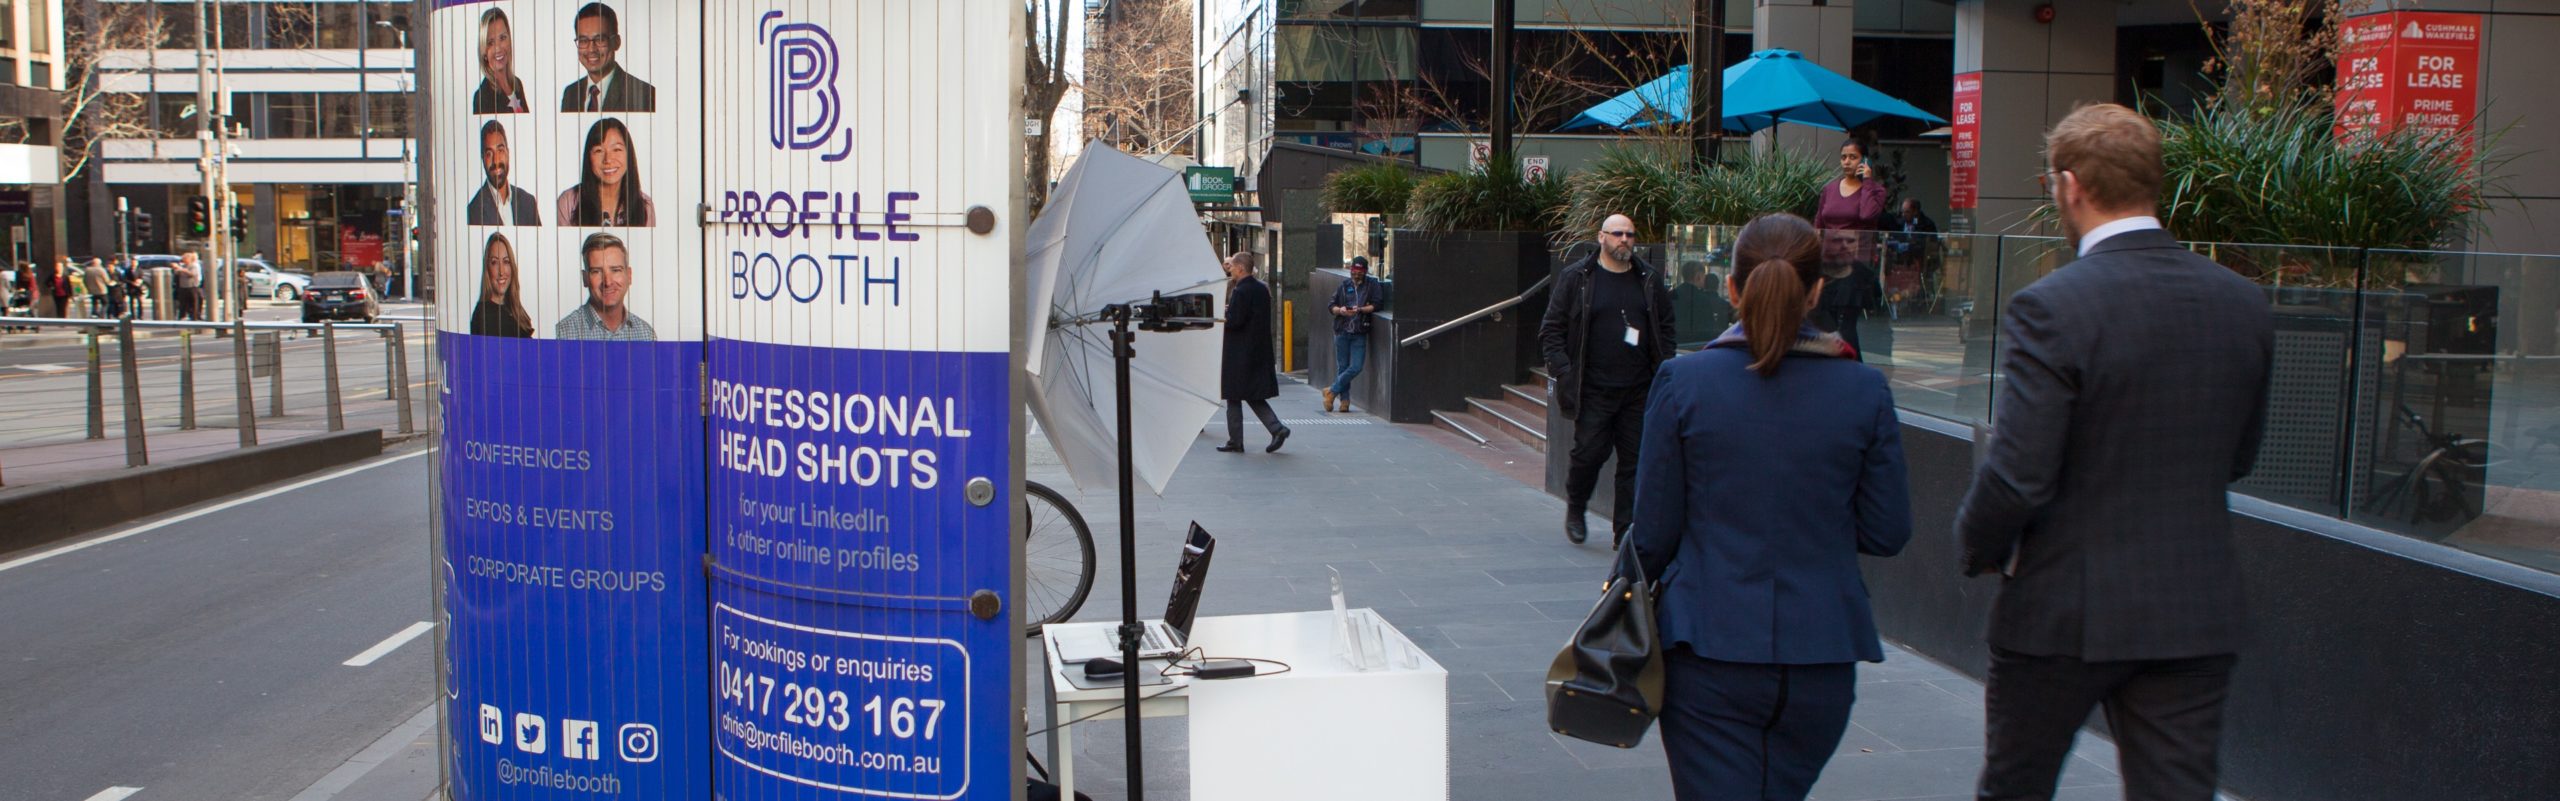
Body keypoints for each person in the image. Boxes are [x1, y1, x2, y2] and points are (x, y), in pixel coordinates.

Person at [1957, 103, 2274, 801]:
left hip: (2061, 606)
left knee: (2015, 785)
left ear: (2069, 185)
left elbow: (2018, 474)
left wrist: (1976, 544)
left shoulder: (2051, 306)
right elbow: (2240, 454)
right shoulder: (2242, 302)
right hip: (2191, 606)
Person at [1632, 212, 1910, 801]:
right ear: (1816, 290)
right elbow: (1888, 531)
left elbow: (1652, 533)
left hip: (1708, 647)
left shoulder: (1684, 382)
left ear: (1731, 288)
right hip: (1824, 656)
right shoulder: (1864, 390)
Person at [1537, 213, 1675, 546]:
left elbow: (1666, 329)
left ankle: (1624, 529)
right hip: (1593, 388)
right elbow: (1551, 330)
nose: (1625, 240)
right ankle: (1576, 507)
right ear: (1601, 237)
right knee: (1588, 454)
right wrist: (1565, 372)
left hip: (1638, 389)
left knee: (1635, 460)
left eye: (1630, 234)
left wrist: (1664, 370)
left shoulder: (1648, 280)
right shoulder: (1578, 278)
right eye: (1617, 234)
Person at [1812, 138, 1887, 357]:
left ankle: (1854, 369)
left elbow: (1867, 215)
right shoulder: (1829, 189)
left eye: (1853, 157)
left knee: (1847, 325)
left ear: (1864, 160)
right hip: (1828, 262)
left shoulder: (1874, 191)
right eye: (1844, 157)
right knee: (1825, 320)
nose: (1847, 162)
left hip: (1854, 264)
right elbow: (1819, 225)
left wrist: (1868, 182)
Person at [1216, 251, 1289, 453]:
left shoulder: (1240, 291)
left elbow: (1236, 321)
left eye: (1232, 267)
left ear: (1240, 268)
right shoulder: (1261, 289)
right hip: (1259, 349)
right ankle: (1276, 428)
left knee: (1233, 395)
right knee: (1252, 394)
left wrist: (1225, 315)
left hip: (1240, 352)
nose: (1230, 270)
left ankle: (1236, 440)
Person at [555, 233, 655, 341]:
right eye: (596, 271)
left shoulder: (646, 334)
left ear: (629, 275)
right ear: (585, 278)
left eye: (616, 270)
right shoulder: (564, 333)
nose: (607, 282)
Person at [560, 3, 657, 113]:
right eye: (583, 41)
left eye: (600, 39)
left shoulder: (644, 94)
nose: (591, 49)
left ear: (616, 42)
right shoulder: (570, 93)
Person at [558, 118, 653, 226]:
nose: (607, 159)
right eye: (599, 150)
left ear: (629, 154)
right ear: (588, 157)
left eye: (616, 149)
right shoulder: (568, 202)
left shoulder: (645, 206)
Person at [1323, 256, 1384, 413]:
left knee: (1356, 366)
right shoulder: (1344, 285)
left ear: (1365, 272)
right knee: (1342, 367)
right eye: (1354, 272)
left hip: (1359, 331)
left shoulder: (1372, 285)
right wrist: (1341, 310)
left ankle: (1331, 391)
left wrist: (1362, 309)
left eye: (1359, 272)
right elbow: (1331, 306)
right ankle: (1345, 402)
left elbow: (1377, 304)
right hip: (1342, 330)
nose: (1356, 275)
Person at [470, 121, 542, 226]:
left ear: (508, 153)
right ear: (483, 158)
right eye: (489, 154)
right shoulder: (473, 211)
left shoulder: (529, 203)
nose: (496, 160)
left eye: (500, 150)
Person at [471, 234, 534, 338]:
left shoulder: (515, 310)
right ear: (487, 268)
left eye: (506, 262)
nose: (501, 271)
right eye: (494, 262)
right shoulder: (482, 315)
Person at [1883, 198, 1939, 315]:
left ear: (1915, 211)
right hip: (1898, 262)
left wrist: (1910, 246)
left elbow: (1928, 245)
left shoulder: (1926, 225)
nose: (1904, 215)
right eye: (1902, 212)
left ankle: (1915, 300)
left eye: (1907, 212)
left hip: (1917, 261)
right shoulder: (1900, 222)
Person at [471, 8, 529, 114]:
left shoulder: (517, 84)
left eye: (502, 38)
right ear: (484, 51)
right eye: (490, 43)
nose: (498, 48)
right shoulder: (482, 97)